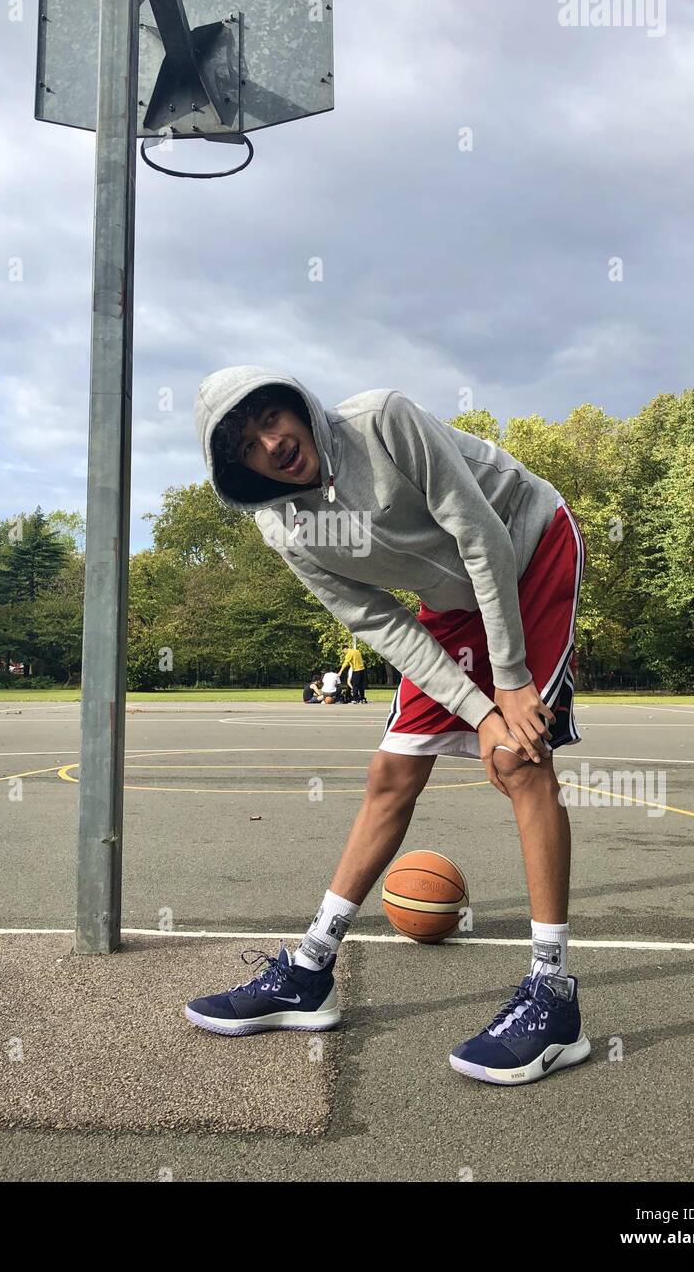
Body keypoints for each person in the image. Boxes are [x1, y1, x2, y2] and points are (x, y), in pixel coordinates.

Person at [186, 368, 589, 1086]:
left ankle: (553, 998)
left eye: (274, 418)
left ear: (300, 409)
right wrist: (478, 711)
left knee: (519, 761)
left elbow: (480, 535)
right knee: (390, 774)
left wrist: (511, 683)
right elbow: (380, 623)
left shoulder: (382, 422)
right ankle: (309, 970)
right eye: (248, 444)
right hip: (451, 595)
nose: (273, 442)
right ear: (237, 468)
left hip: (525, 547)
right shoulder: (280, 525)